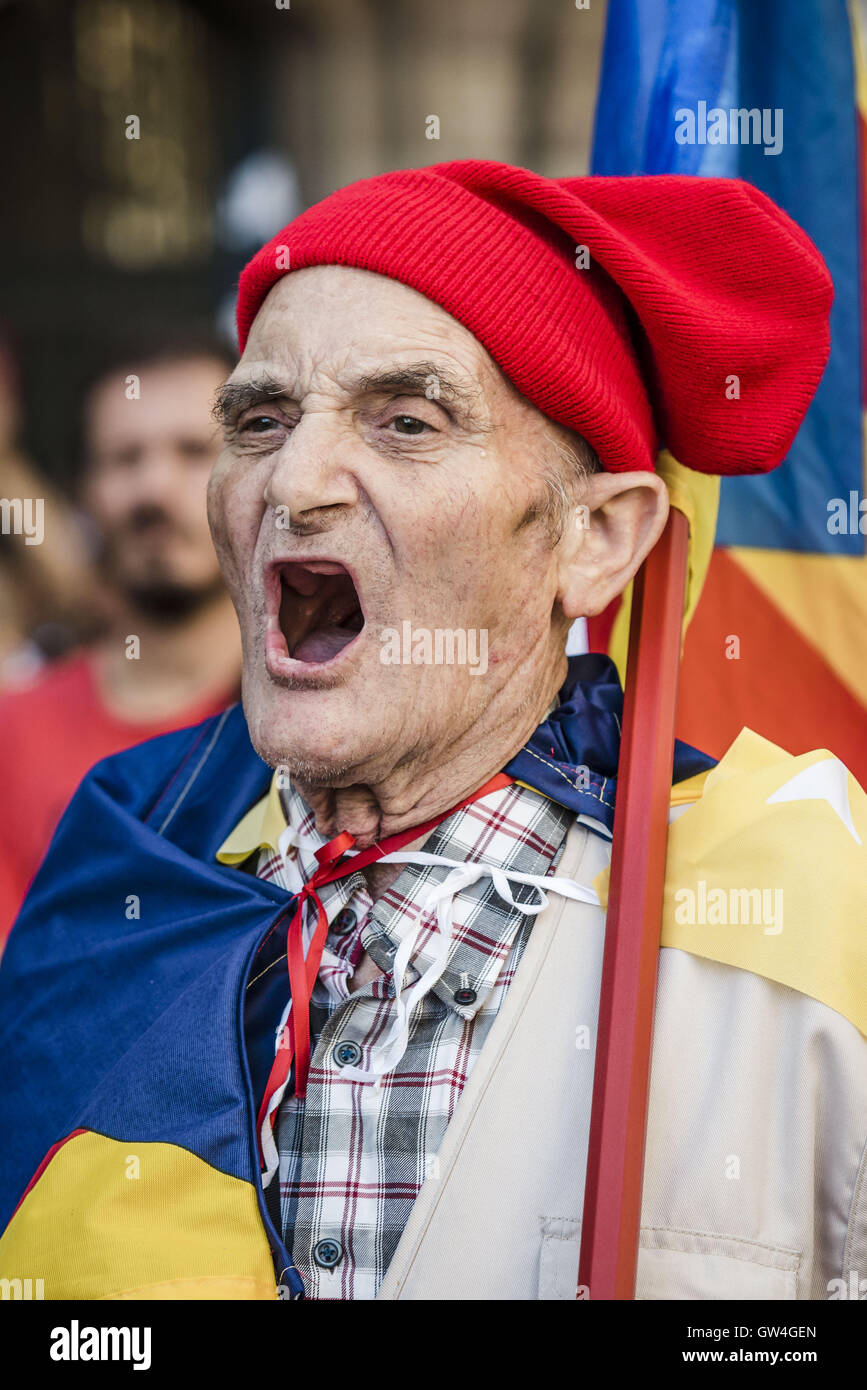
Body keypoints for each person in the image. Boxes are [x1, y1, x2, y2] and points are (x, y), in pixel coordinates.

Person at [0, 162, 863, 1302]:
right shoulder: (122, 876)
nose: (292, 482)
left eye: (406, 421)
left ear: (596, 539)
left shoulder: (810, 922)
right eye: (259, 419)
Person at [0, 337, 242, 943]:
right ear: (85, 491)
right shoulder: (15, 731)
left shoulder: (326, 719)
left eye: (193, 452)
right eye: (125, 458)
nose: (153, 489)